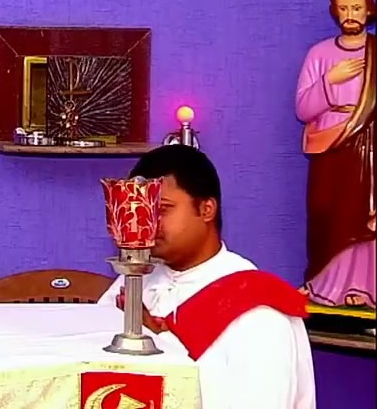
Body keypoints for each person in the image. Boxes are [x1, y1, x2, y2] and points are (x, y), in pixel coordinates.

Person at [99, 145, 315, 409]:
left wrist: (160, 340)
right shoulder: (136, 278)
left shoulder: (258, 310)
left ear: (206, 209)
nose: (147, 224)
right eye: (140, 211)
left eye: (162, 209)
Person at [295, 0, 375, 308]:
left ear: (369, 10)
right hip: (331, 144)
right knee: (327, 212)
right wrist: (330, 81)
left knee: (365, 216)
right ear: (335, 11)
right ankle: (325, 283)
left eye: (356, 7)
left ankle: (365, 286)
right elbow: (302, 109)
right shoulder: (319, 54)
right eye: (343, 8)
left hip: (371, 147)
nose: (350, 14)